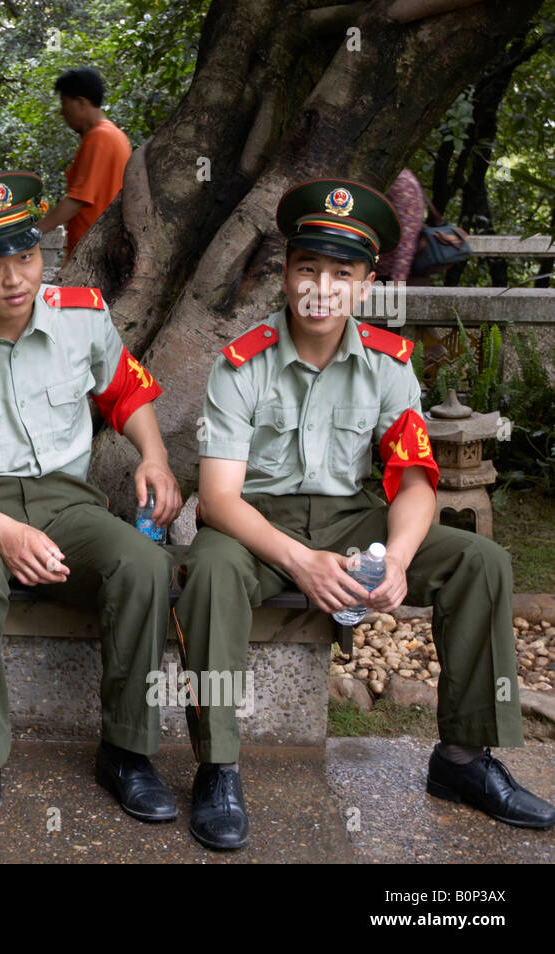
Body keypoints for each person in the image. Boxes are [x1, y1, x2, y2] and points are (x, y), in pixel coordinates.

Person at [176, 178, 554, 851]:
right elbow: (220, 498)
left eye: (341, 273)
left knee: (480, 560)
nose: (322, 287)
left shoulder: (390, 366)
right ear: (287, 274)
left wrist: (400, 559)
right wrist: (300, 560)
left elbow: (412, 480)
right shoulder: (241, 366)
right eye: (307, 268)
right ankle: (218, 765)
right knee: (208, 571)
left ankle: (464, 759)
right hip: (257, 522)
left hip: (354, 516)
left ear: (365, 283)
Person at [0, 171, 182, 824]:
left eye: (26, 257)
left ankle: (128, 752)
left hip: (68, 502)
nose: (14, 279)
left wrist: (156, 455)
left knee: (144, 565)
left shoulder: (82, 318)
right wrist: (3, 532)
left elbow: (126, 390)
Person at [36, 67, 132, 254]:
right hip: (96, 249)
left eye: (64, 103)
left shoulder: (101, 137)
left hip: (92, 253)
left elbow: (78, 200)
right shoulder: (112, 135)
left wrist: (34, 232)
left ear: (81, 102)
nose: (62, 112)